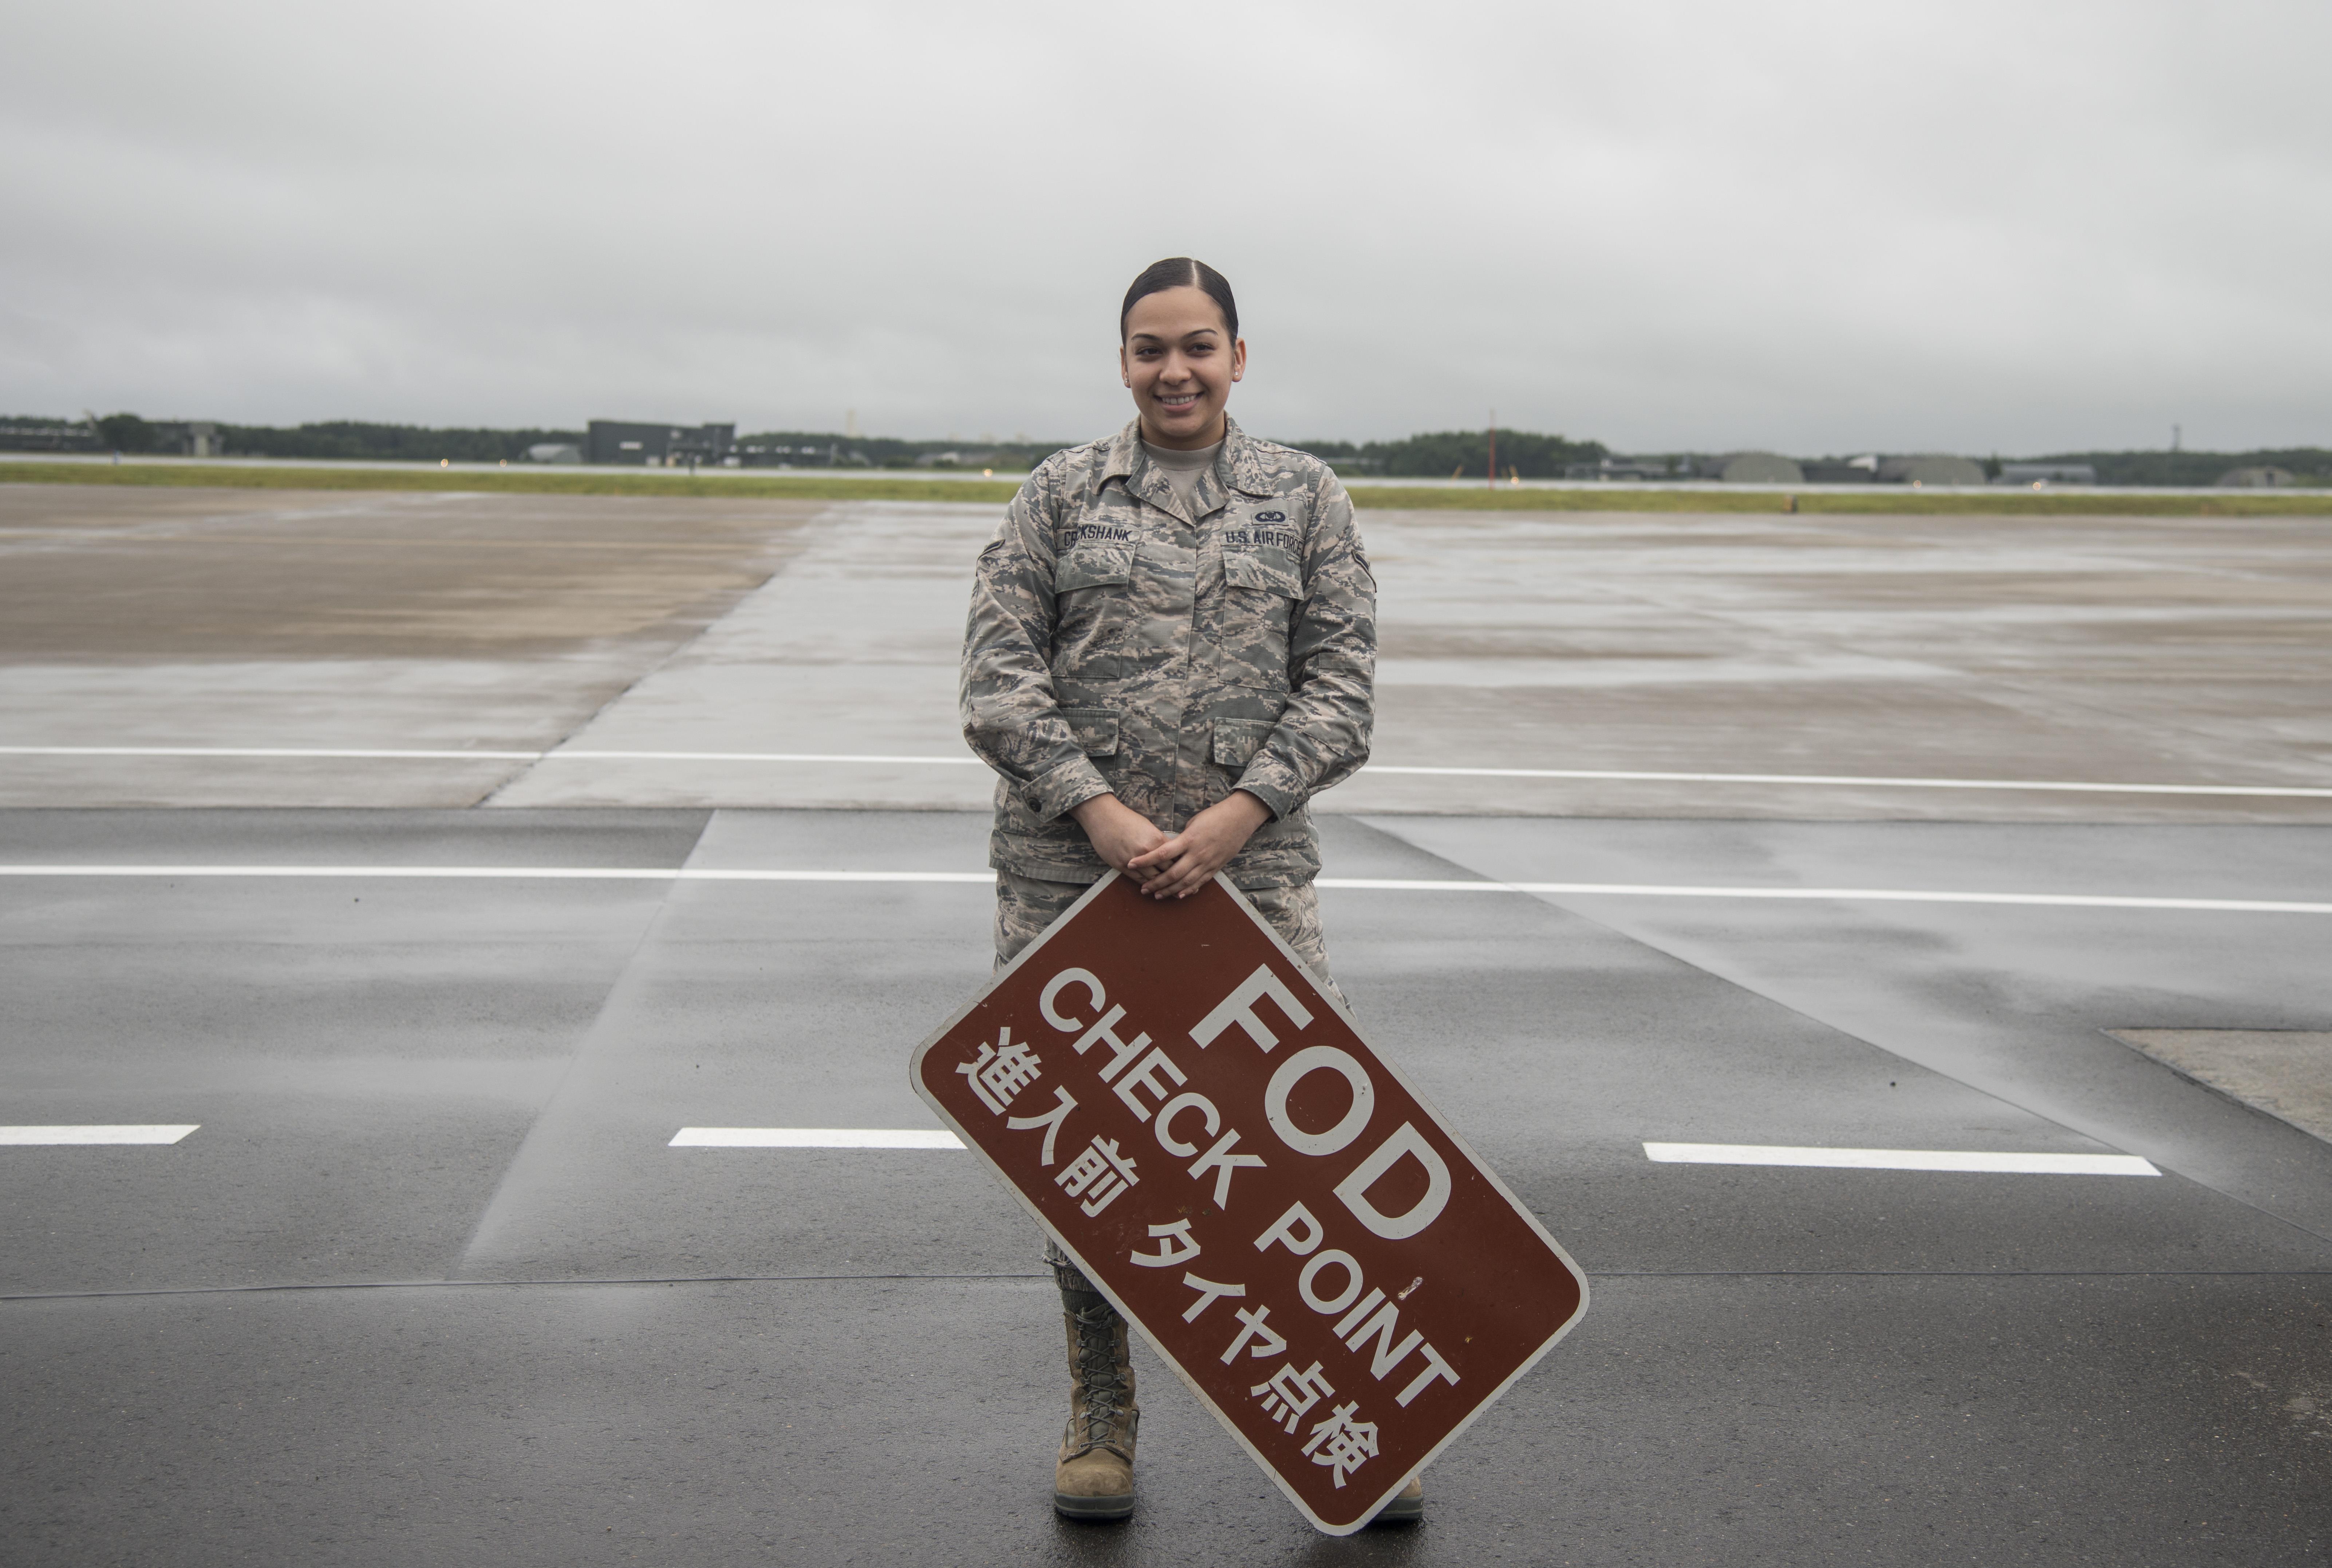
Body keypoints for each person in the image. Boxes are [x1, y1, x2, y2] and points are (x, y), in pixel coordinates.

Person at [960, 257, 1413, 1523]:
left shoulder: (1306, 500)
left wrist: (1232, 819)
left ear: (1238, 357)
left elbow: (1342, 689)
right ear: (1122, 363)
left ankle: (1360, 1408)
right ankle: (1102, 1411)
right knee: (1092, 1155)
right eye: (1152, 348)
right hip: (1070, 878)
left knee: (1306, 1148)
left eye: (1199, 346)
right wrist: (1098, 813)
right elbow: (999, 680)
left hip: (1252, 876)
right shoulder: (1057, 495)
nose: (1176, 370)